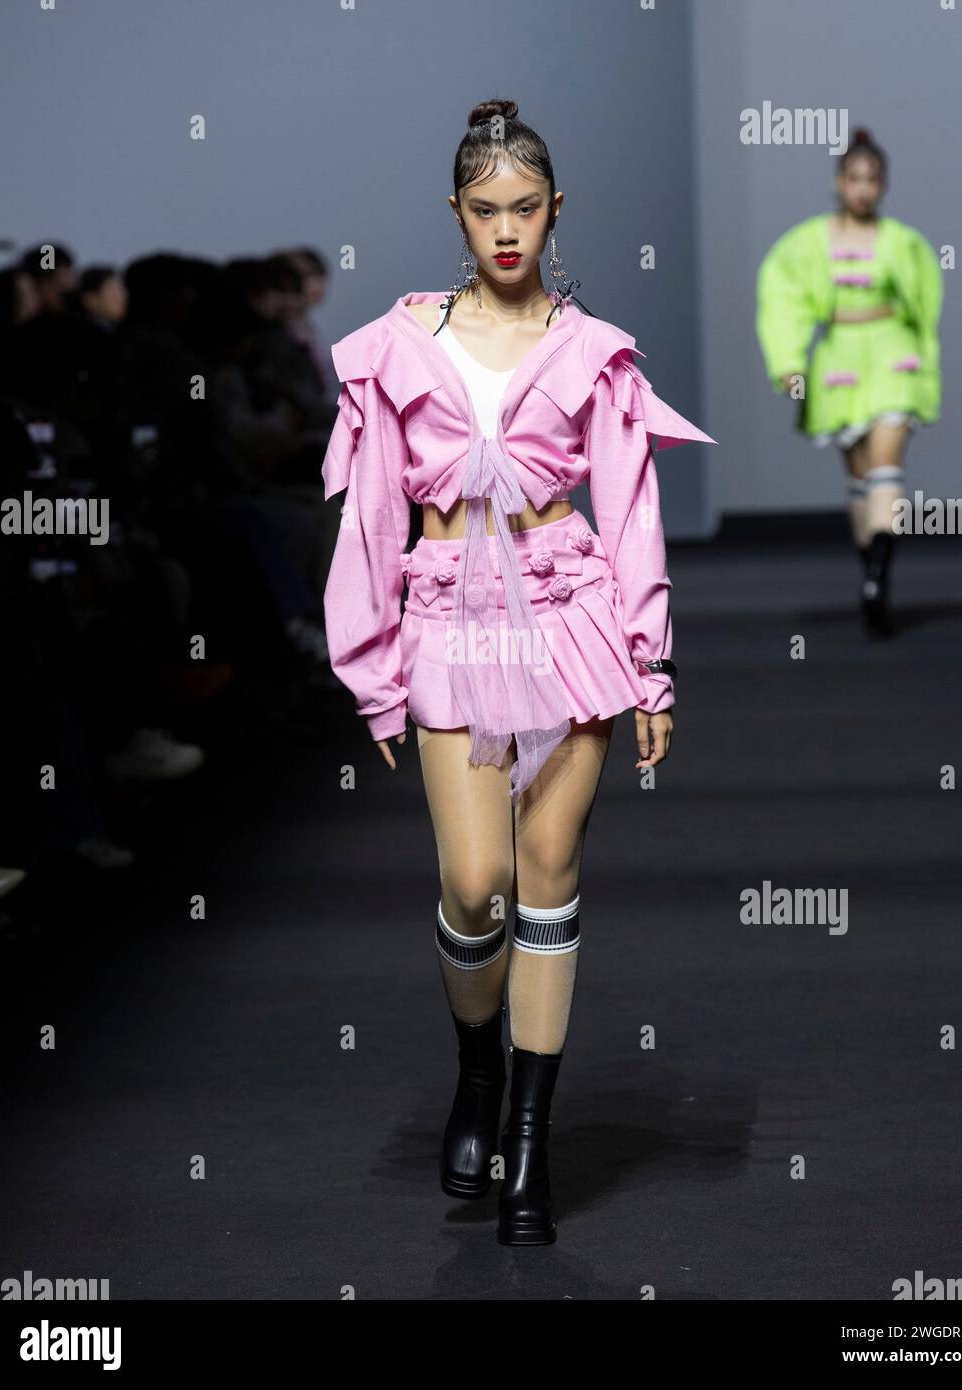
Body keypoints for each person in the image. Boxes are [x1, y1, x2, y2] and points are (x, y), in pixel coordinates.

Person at [321, 97, 715, 1245]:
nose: (506, 230)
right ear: (456, 212)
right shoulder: (397, 346)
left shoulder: (594, 353)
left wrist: (651, 666)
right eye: (485, 209)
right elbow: (373, 515)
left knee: (546, 865)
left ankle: (531, 1137)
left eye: (525, 209)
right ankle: (478, 1075)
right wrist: (372, 669)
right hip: (446, 617)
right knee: (474, 882)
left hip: (562, 612)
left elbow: (629, 508)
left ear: (554, 212)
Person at [756, 127, 943, 635]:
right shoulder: (807, 244)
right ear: (840, 182)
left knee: (886, 462)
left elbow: (925, 307)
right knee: (860, 476)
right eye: (854, 178)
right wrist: (789, 362)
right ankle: (871, 574)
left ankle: (880, 571)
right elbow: (785, 300)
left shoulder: (903, 244)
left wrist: (924, 366)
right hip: (839, 360)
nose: (863, 188)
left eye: (872, 179)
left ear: (883, 185)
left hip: (892, 357)